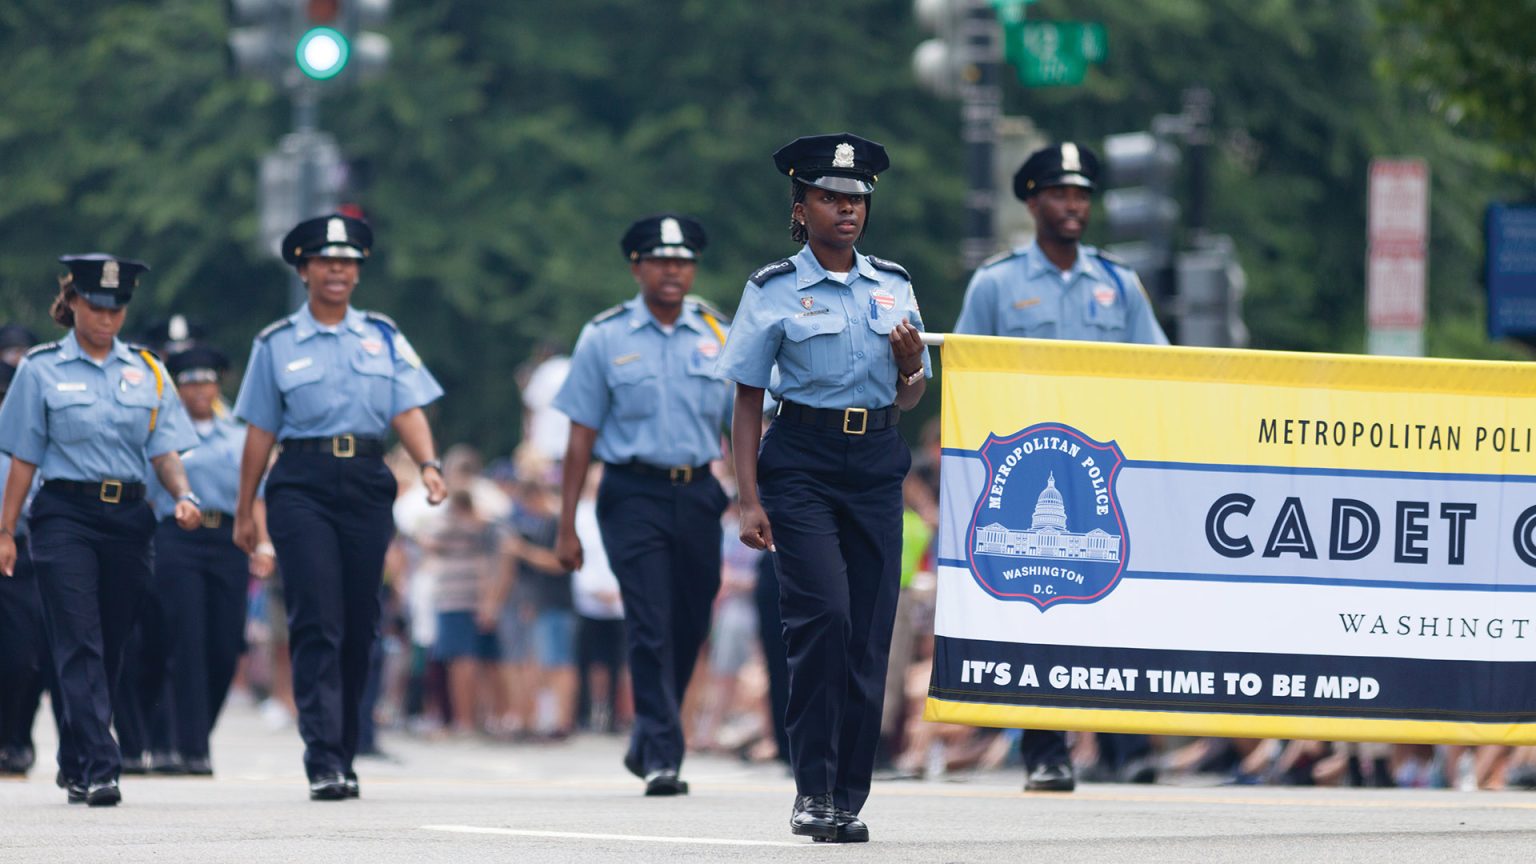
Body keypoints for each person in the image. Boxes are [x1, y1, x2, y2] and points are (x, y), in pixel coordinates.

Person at [718, 133, 931, 843]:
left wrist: (910, 368)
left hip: (874, 459)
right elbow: (748, 396)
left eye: (858, 200)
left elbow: (909, 398)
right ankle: (812, 787)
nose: (848, 210)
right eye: (832, 198)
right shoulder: (773, 288)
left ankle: (847, 794)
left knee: (870, 633)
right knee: (825, 620)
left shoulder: (893, 283)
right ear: (800, 206)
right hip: (801, 460)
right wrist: (749, 498)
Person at [953, 142, 1168, 793]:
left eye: (1082, 195)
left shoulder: (1119, 283)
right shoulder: (996, 283)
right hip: (1025, 466)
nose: (1073, 205)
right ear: (1031, 200)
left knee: (1111, 601)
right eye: (1059, 194)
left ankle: (1121, 743)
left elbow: (1159, 371)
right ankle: (1046, 748)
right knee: (1039, 600)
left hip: (1104, 471)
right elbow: (966, 374)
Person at [232, 213, 447, 801]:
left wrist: (428, 463)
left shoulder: (382, 336)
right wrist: (245, 506)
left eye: (348, 262)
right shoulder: (275, 344)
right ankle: (323, 756)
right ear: (303, 269)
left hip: (366, 480)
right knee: (316, 617)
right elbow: (258, 431)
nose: (337, 271)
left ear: (358, 272)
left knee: (360, 622)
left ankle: (348, 745)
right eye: (326, 261)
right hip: (300, 482)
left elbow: (407, 407)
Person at [0, 254, 204, 806]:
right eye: (96, 306)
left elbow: (163, 451)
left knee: (110, 643)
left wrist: (184, 495)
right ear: (73, 304)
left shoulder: (149, 369)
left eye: (118, 307)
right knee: (78, 638)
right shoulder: (40, 369)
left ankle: (76, 755)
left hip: (129, 517)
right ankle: (100, 764)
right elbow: (23, 457)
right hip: (64, 514)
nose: (108, 317)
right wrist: (5, 530)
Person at [553, 213, 732, 796]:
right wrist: (566, 526)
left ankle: (650, 735)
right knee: (650, 620)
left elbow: (748, 418)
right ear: (637, 267)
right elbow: (580, 435)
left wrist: (753, 496)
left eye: (683, 261)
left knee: (690, 622)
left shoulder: (719, 331)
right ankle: (662, 749)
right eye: (660, 260)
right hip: (633, 493)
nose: (673, 270)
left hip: (701, 491)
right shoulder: (603, 336)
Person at [145, 344, 275, 775]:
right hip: (177, 539)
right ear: (177, 390)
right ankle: (192, 746)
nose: (200, 389)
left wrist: (264, 543)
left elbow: (254, 495)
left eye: (207, 381)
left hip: (228, 538)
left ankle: (197, 732)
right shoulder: (163, 433)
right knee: (188, 641)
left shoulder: (236, 433)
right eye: (190, 382)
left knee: (224, 644)